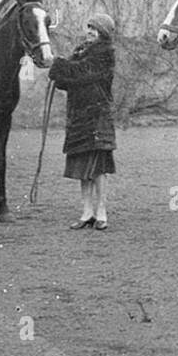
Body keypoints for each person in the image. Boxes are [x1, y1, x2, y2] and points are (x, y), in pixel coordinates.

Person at [48, 13, 117, 230]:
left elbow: (82, 73)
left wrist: (59, 65)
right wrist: (60, 74)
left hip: (97, 116)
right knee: (82, 167)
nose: (89, 31)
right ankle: (87, 212)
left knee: (98, 168)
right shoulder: (80, 51)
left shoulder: (105, 53)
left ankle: (101, 211)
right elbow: (67, 81)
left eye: (94, 28)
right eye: (88, 27)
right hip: (78, 116)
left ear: (103, 33)